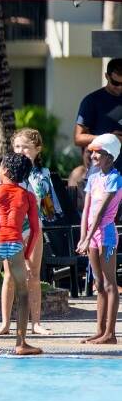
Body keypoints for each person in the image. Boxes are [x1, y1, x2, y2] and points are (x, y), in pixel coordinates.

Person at [0, 128, 61, 337]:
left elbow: (48, 208)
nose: (21, 150)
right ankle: (6, 323)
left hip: (34, 229)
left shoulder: (42, 175)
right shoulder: (7, 171)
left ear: (37, 149)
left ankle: (36, 323)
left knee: (33, 275)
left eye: (26, 147)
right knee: (9, 276)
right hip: (11, 229)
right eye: (17, 146)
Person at [0, 153, 42, 356]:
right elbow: (34, 229)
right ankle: (21, 343)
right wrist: (27, 253)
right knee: (22, 294)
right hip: (15, 244)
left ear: (4, 170)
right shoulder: (28, 196)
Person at [76, 134, 121, 345]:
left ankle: (110, 334)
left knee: (110, 283)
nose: (93, 156)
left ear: (110, 157)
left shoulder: (115, 178)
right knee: (99, 283)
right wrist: (83, 236)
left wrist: (89, 237)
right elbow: (86, 210)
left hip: (107, 236)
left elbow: (102, 212)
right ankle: (100, 330)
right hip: (93, 237)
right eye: (92, 152)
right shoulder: (93, 178)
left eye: (99, 153)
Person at [72, 58, 122, 152]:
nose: (120, 87)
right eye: (116, 83)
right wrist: (109, 139)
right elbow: (78, 138)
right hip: (103, 165)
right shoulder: (91, 101)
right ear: (107, 76)